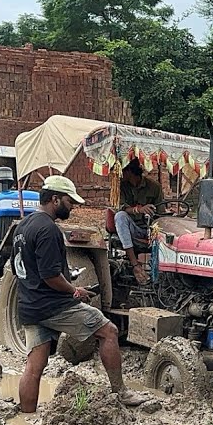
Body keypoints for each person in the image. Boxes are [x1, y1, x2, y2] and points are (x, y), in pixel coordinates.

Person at [12, 174, 150, 412]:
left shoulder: (23, 226)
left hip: (30, 305)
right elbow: (51, 277)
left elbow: (21, 268)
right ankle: (121, 391)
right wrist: (75, 290)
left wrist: (67, 279)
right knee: (109, 331)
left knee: (34, 367)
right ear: (55, 199)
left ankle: (27, 416)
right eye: (70, 201)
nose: (73, 206)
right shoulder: (49, 230)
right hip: (53, 306)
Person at [113, 158, 163, 284]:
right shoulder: (121, 186)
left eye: (121, 171)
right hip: (131, 228)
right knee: (120, 216)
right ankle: (135, 265)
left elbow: (161, 213)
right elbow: (120, 207)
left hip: (150, 230)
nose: (119, 175)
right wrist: (139, 209)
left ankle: (161, 275)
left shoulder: (154, 187)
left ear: (129, 171)